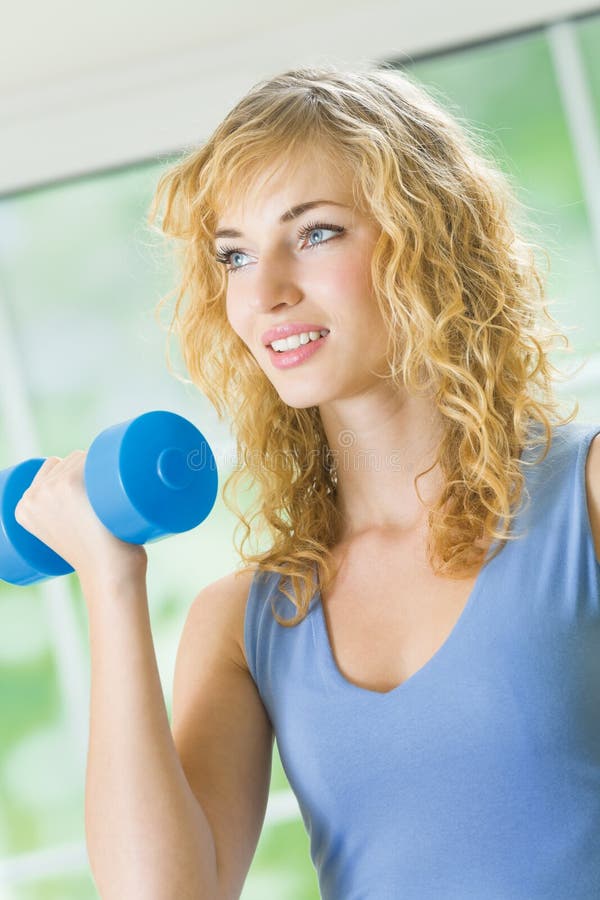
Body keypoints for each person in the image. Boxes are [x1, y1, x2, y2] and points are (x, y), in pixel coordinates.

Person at [14, 64, 600, 898]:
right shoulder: (248, 622)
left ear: (426, 236)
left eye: (316, 232)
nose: (268, 292)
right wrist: (112, 584)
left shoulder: (587, 499)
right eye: (235, 256)